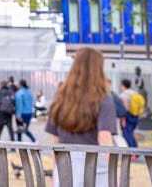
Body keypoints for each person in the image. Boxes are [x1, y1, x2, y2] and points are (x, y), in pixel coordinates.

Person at [46, 47, 116, 186]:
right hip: (95, 169)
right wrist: (114, 176)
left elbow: (55, 140)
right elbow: (104, 138)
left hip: (64, 169)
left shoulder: (60, 97)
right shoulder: (103, 99)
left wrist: (55, 173)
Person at [118, 79, 140, 148]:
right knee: (131, 132)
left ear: (123, 86)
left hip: (127, 116)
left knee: (126, 133)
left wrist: (123, 118)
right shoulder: (135, 93)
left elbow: (123, 108)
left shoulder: (123, 95)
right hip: (135, 115)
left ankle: (132, 151)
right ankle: (135, 149)